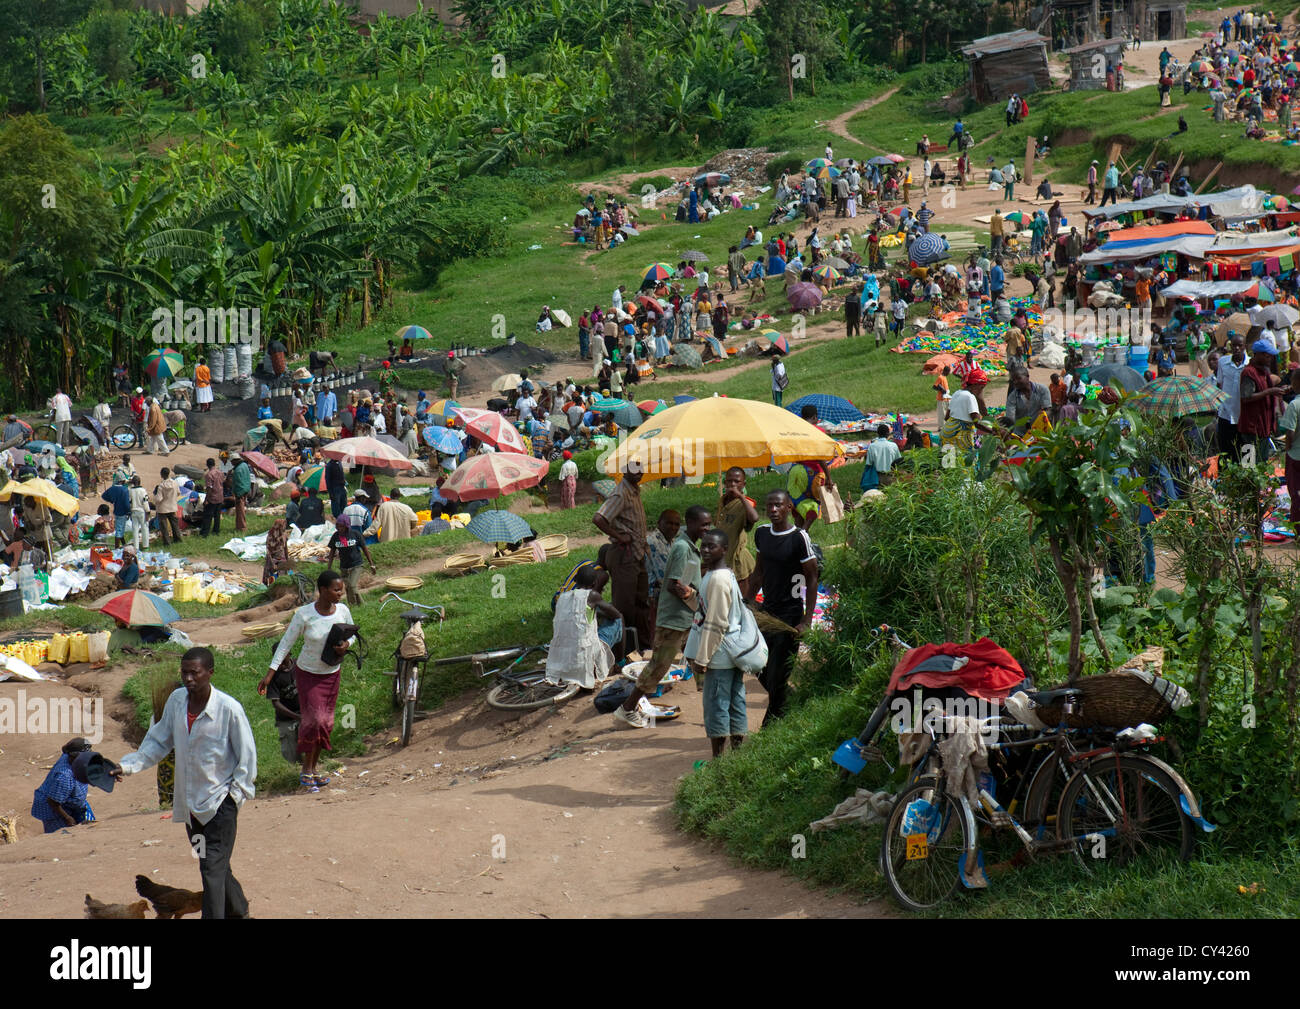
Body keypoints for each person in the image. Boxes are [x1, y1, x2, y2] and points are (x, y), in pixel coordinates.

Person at [114, 647, 256, 919]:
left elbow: (247, 760)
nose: (189, 678)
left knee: (211, 868)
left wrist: (234, 797)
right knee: (212, 863)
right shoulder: (177, 702)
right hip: (191, 809)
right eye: (185, 672)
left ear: (210, 673)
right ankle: (239, 910)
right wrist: (126, 766)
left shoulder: (229, 710)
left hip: (219, 806)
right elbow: (158, 742)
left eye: (195, 673)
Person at [614, 505, 711, 727]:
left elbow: (685, 580)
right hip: (674, 620)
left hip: (687, 619)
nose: (707, 528)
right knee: (659, 666)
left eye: (709, 524)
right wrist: (698, 601)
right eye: (703, 524)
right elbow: (674, 585)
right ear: (692, 524)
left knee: (701, 662)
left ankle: (712, 710)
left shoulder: (690, 548)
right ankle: (627, 709)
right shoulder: (682, 548)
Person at [263, 571, 355, 792]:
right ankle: (306, 769)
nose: (341, 593)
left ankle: (314, 769)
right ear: (322, 591)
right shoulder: (304, 615)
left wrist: (347, 645)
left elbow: (352, 633)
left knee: (326, 724)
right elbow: (285, 644)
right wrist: (269, 675)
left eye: (341, 589)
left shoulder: (342, 610)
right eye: (336, 590)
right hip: (308, 675)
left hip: (332, 673)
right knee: (315, 721)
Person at [748, 490, 818, 726]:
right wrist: (748, 602)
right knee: (758, 666)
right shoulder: (761, 534)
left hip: (789, 615)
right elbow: (758, 572)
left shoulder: (798, 537)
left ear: (789, 507)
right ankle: (792, 701)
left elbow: (812, 577)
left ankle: (770, 726)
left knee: (778, 673)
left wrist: (807, 620)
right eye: (769, 506)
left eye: (778, 506)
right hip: (767, 612)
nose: (773, 510)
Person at [592, 462, 652, 655]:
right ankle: (621, 652)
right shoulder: (621, 493)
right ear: (625, 471)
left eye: (640, 468)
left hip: (637, 554)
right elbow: (599, 518)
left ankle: (642, 646)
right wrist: (619, 536)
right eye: (633, 469)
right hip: (624, 555)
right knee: (623, 606)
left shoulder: (634, 490)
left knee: (641, 603)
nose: (638, 472)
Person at [31, 737, 96, 833]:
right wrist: (67, 818)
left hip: (72, 802)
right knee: (62, 835)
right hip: (54, 809)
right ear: (74, 757)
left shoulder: (71, 757)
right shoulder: (64, 777)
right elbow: (53, 802)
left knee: (91, 828)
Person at [1238, 338, 1285, 463]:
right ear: (1257, 354)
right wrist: (1269, 392)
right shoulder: (1249, 372)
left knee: (1262, 462)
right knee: (1249, 464)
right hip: (1251, 429)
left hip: (1263, 427)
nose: (1269, 359)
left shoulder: (1263, 372)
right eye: (1266, 356)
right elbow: (1246, 397)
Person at [715, 466, 758, 595]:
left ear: (743, 484)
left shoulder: (744, 504)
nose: (732, 484)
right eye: (729, 481)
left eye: (736, 481)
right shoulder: (722, 500)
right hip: (723, 556)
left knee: (739, 599)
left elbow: (755, 518)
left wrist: (741, 496)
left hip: (737, 559)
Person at [327, 517, 376, 606]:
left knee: (352, 586)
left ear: (346, 526)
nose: (339, 528)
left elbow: (365, 549)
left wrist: (371, 564)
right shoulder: (336, 536)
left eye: (341, 526)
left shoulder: (355, 534)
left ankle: (362, 605)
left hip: (356, 565)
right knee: (348, 588)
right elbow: (332, 552)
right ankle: (352, 605)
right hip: (344, 567)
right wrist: (329, 568)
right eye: (337, 526)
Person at [264, 650, 301, 765]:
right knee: (290, 754)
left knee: (310, 743)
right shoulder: (273, 676)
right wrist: (296, 716)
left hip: (304, 712)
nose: (280, 665)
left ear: (289, 654)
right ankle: (295, 772)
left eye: (283, 661)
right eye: (277, 661)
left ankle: (308, 767)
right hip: (285, 718)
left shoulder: (300, 665)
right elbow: (276, 703)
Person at [1215, 334, 1248, 458]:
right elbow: (1219, 385)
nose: (1237, 348)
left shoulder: (1249, 364)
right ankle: (1225, 475)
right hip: (1225, 413)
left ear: (1245, 346)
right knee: (1225, 449)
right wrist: (1217, 406)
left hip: (1243, 414)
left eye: (1240, 345)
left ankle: (1249, 476)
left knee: (1246, 448)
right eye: (1234, 345)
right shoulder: (1223, 362)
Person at [645, 509, 681, 611]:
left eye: (676, 524)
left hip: (664, 589)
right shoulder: (653, 542)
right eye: (669, 523)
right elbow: (665, 576)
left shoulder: (671, 541)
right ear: (659, 523)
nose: (673, 527)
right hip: (653, 594)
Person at [1004, 366, 1052, 434]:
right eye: (1013, 380)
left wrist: (1043, 415)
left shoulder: (1042, 390)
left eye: (1018, 378)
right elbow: (1010, 417)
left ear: (1027, 376)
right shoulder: (1012, 397)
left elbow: (1048, 409)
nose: (1015, 382)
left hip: (1039, 432)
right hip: (1020, 433)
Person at [860, 424, 902, 491]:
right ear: (888, 434)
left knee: (879, 497)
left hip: (877, 478)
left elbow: (869, 463)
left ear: (878, 433)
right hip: (891, 476)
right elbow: (899, 461)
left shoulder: (872, 446)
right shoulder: (893, 446)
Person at [199, 457, 225, 537]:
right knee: (217, 515)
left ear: (207, 465)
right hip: (220, 496)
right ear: (214, 464)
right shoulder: (220, 472)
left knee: (208, 516)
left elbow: (209, 488)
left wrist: (206, 500)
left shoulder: (209, 475)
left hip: (212, 498)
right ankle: (216, 531)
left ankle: (205, 533)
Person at [102, 478, 131, 547]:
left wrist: (111, 500)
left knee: (119, 528)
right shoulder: (125, 490)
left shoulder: (112, 488)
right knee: (119, 530)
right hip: (123, 511)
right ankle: (117, 547)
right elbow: (126, 503)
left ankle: (124, 544)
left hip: (116, 510)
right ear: (122, 481)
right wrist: (128, 511)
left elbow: (103, 496)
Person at [263, 517, 290, 586]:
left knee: (282, 576)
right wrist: (272, 563)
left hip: (282, 558)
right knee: (272, 576)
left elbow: (285, 547)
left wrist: (287, 559)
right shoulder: (271, 536)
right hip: (273, 559)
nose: (284, 528)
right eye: (283, 526)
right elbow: (269, 551)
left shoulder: (283, 535)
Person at [128, 476, 151, 552]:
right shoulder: (142, 490)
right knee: (144, 528)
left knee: (135, 529)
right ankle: (145, 546)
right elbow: (145, 501)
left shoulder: (130, 491)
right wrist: (147, 511)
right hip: (141, 511)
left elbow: (130, 502)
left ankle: (136, 547)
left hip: (134, 511)